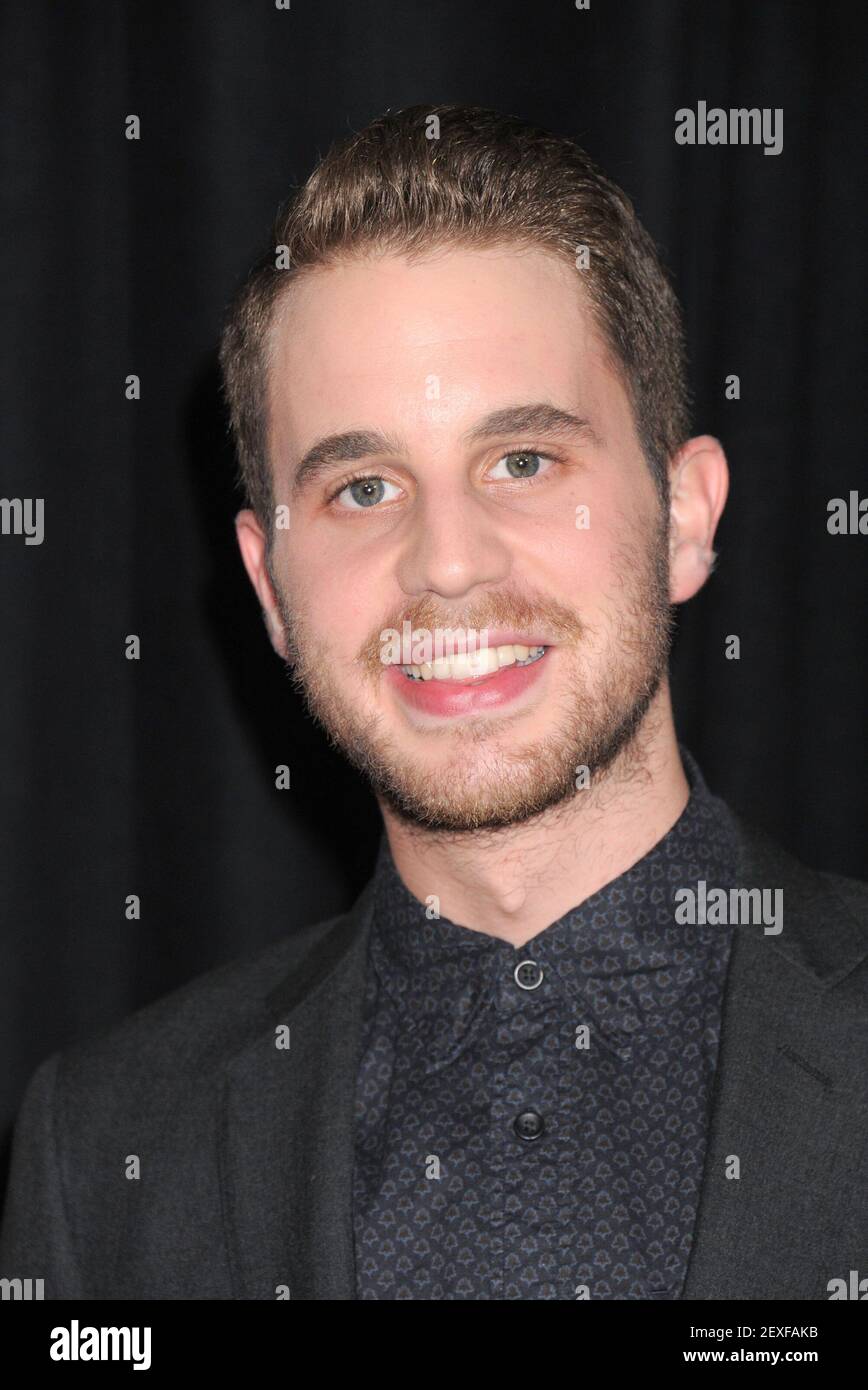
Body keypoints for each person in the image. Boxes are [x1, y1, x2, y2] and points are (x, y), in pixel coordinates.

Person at [1, 104, 865, 1301]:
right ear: (270, 584)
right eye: (362, 486)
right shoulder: (102, 1154)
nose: (445, 562)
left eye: (522, 461)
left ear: (684, 517)